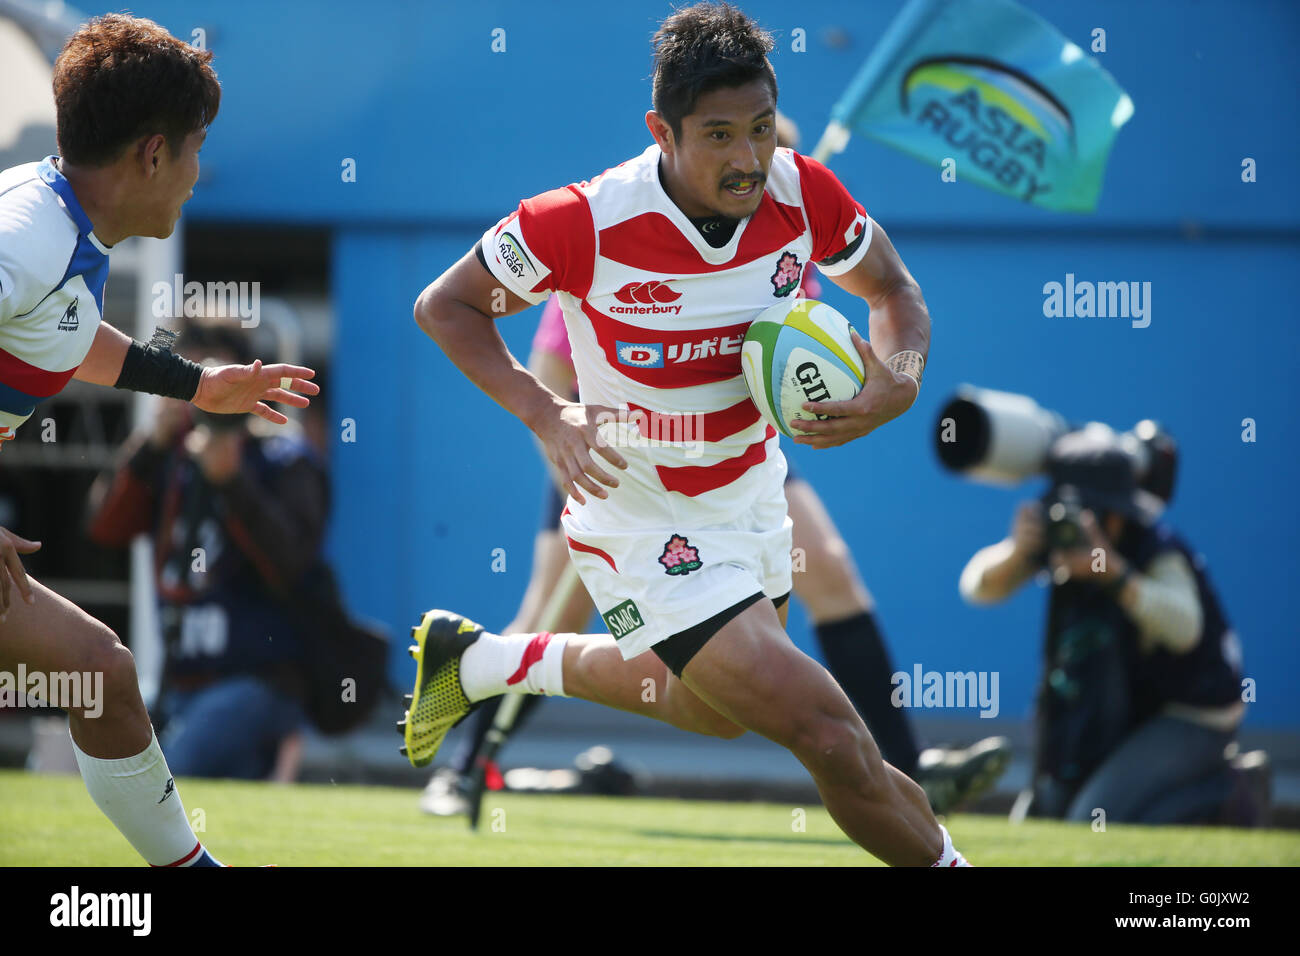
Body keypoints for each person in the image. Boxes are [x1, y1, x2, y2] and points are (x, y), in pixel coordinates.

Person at [405, 3, 968, 866]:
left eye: (760, 130)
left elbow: (893, 291)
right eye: (718, 136)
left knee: (715, 715)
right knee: (829, 736)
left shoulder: (804, 190)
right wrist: (543, 411)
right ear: (660, 130)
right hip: (637, 514)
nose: (747, 159)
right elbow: (445, 306)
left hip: (750, 496)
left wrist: (899, 383)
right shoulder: (581, 220)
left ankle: (483, 663)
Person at [425, 211, 1008, 816]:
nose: (746, 174)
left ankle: (906, 769)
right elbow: (549, 369)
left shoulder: (791, 247)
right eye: (726, 145)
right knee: (550, 610)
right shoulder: (616, 240)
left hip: (739, 454)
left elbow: (795, 351)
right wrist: (577, 469)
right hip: (613, 457)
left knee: (831, 574)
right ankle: (463, 765)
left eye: (764, 150)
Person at [0, 14, 317, 865]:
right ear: (152, 153)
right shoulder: (28, 232)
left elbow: (63, 334)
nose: (196, 173)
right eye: (195, 147)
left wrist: (200, 385)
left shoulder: (55, 228)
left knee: (98, 674)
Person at [959, 430, 1246, 824]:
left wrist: (1113, 573)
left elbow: (1185, 630)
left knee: (1091, 819)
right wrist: (1017, 552)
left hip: (1190, 715)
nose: (1078, 524)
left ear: (1116, 514)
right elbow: (978, 588)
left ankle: (1232, 794)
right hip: (1118, 709)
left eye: (1090, 513)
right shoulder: (1060, 540)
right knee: (1044, 816)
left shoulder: (1155, 547)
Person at [86, 318, 329, 781]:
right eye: (186, 380)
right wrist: (150, 445)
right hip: (177, 680)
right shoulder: (168, 458)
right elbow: (103, 531)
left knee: (164, 785)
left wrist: (234, 483)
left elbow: (296, 568)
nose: (202, 395)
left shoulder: (283, 459)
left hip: (257, 682)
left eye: (212, 380)